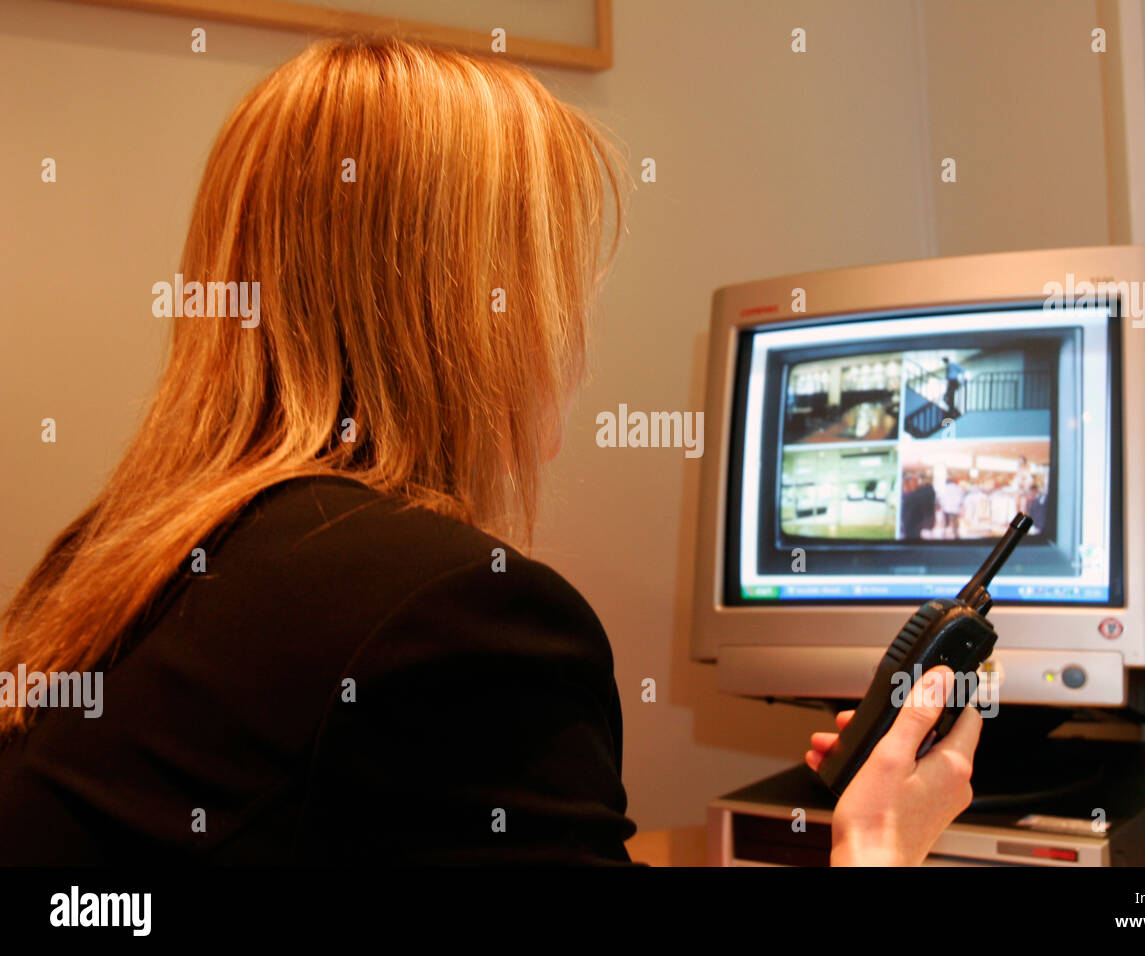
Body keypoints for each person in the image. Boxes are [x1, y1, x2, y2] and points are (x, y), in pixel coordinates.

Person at [0, 36, 977, 866]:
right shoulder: (458, 617)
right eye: (551, 291)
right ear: (472, 312)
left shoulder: (117, 559)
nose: (566, 345)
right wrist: (877, 840)